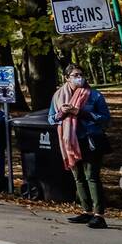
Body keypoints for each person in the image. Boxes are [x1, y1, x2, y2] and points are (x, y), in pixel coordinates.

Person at [49, 64, 112, 228]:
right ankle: (86, 212)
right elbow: (51, 119)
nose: (80, 77)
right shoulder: (58, 96)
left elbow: (105, 118)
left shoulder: (94, 95)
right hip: (70, 142)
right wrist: (61, 113)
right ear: (67, 78)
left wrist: (81, 112)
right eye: (76, 75)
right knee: (78, 177)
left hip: (91, 140)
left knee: (92, 176)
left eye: (81, 74)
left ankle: (99, 215)